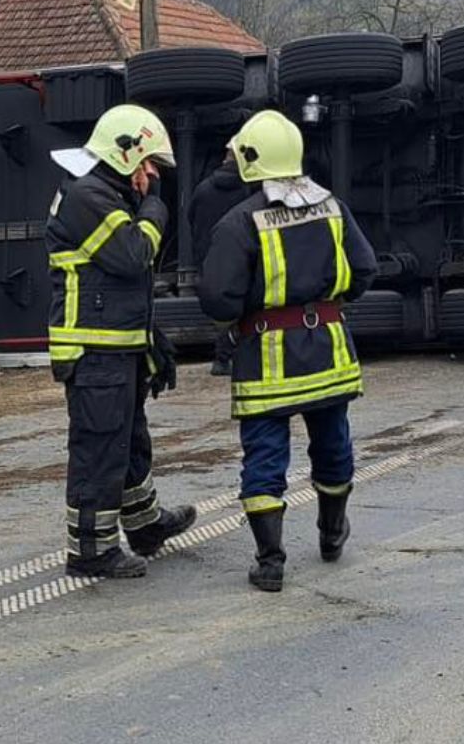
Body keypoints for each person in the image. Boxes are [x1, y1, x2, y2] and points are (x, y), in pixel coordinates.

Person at [198, 110, 378, 593]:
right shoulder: (333, 207)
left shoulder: (239, 222)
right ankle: (331, 533)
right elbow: (364, 270)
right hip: (328, 353)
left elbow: (217, 298)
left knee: (264, 457)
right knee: (333, 444)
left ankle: (270, 562)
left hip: (266, 361)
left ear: (250, 160)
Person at [47, 103, 198, 578]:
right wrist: (155, 207)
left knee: (129, 443)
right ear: (124, 153)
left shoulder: (102, 194)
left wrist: (149, 341)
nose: (152, 174)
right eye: (148, 162)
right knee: (99, 450)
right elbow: (133, 256)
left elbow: (121, 282)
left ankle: (145, 523)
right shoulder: (87, 197)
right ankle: (91, 550)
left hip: (115, 345)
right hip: (94, 352)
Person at [187, 147, 259, 375]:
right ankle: (227, 356)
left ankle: (222, 356)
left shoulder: (202, 188)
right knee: (242, 303)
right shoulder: (247, 191)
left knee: (221, 302)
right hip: (237, 251)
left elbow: (190, 216)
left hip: (207, 252)